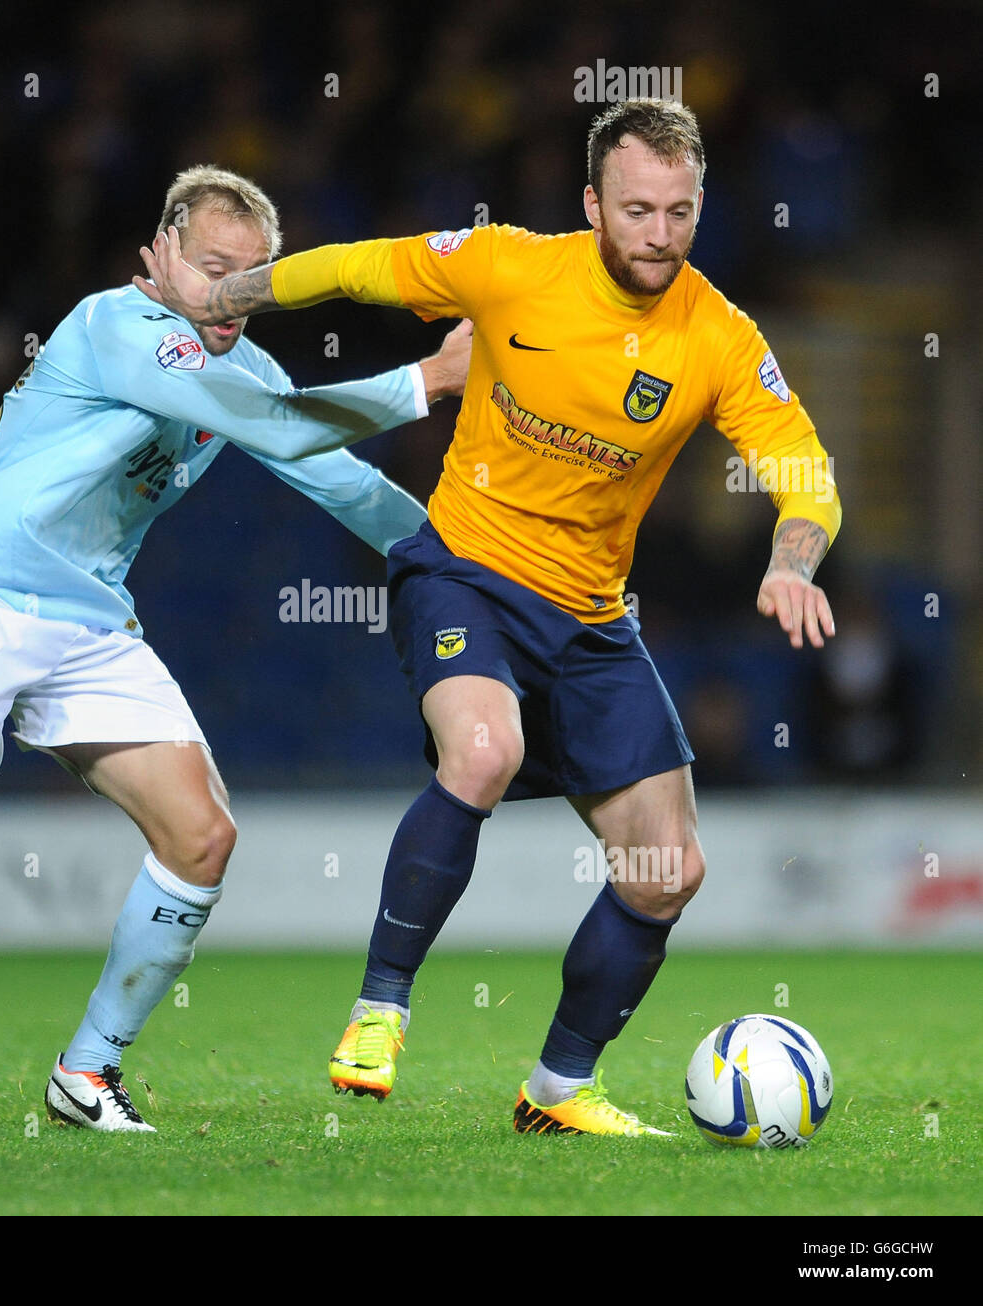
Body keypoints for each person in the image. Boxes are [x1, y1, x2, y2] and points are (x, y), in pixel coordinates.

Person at [137, 100, 842, 1137]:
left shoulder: (718, 334)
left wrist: (793, 559)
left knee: (666, 871)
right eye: (637, 209)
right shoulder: (509, 266)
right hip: (464, 572)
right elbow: (355, 266)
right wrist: (225, 294)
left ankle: (559, 1088)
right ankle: (379, 1009)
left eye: (680, 212)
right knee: (482, 749)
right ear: (592, 202)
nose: (658, 234)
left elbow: (803, 470)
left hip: (593, 620)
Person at [0, 166, 472, 1135]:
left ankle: (87, 1071)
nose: (230, 291)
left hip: (89, 620)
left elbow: (338, 480)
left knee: (203, 838)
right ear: (161, 254)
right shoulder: (115, 326)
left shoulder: (246, 369)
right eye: (212, 266)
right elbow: (270, 423)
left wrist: (466, 566)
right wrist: (430, 379)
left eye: (254, 275)